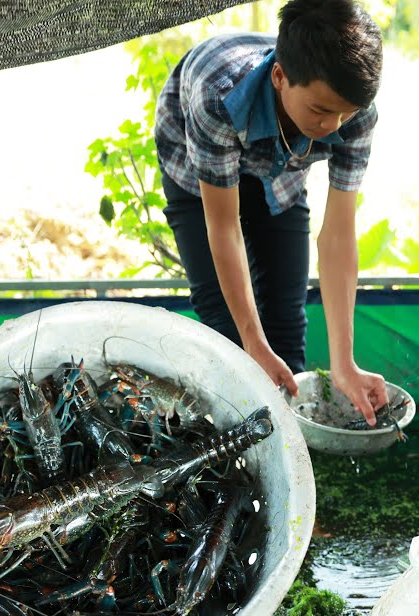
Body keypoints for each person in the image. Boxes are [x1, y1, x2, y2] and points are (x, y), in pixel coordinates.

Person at [154, 0, 388, 424]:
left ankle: (289, 456)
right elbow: (224, 228)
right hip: (196, 171)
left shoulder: (355, 114)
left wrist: (343, 362)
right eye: (321, 110)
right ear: (280, 77)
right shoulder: (217, 96)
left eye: (345, 113)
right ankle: (230, 450)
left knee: (285, 333)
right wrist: (251, 341)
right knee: (230, 333)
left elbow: (337, 234)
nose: (334, 126)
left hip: (280, 171)